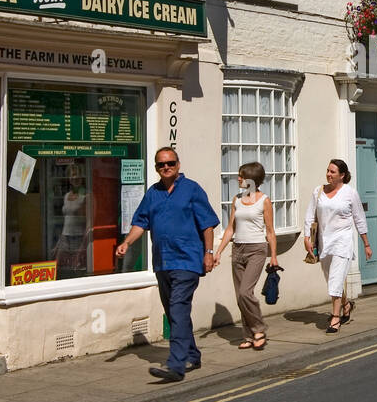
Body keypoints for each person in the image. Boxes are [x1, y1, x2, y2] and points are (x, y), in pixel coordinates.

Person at [116, 147, 219, 382]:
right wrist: (127, 243)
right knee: (174, 311)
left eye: (170, 163)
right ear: (156, 168)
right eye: (161, 165)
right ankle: (192, 353)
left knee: (178, 307)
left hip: (188, 260)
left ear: (178, 164)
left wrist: (209, 252)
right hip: (163, 261)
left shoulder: (192, 189)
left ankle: (176, 365)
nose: (166, 168)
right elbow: (140, 222)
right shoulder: (153, 193)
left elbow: (207, 225)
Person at [214, 161, 279, 350]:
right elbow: (230, 228)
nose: (238, 179)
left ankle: (259, 329)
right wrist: (219, 251)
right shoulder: (237, 199)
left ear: (251, 179)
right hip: (238, 249)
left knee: (245, 292)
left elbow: (270, 231)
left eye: (241, 176)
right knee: (240, 296)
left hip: (257, 249)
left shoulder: (264, 200)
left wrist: (273, 256)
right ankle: (249, 336)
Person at [303, 158, 371, 333]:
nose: (328, 174)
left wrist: (366, 244)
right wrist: (306, 238)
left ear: (342, 175)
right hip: (325, 242)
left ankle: (335, 317)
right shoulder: (318, 191)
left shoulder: (350, 193)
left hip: (343, 241)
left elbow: (359, 218)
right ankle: (346, 304)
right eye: (328, 170)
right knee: (332, 279)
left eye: (332, 172)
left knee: (335, 278)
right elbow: (310, 216)